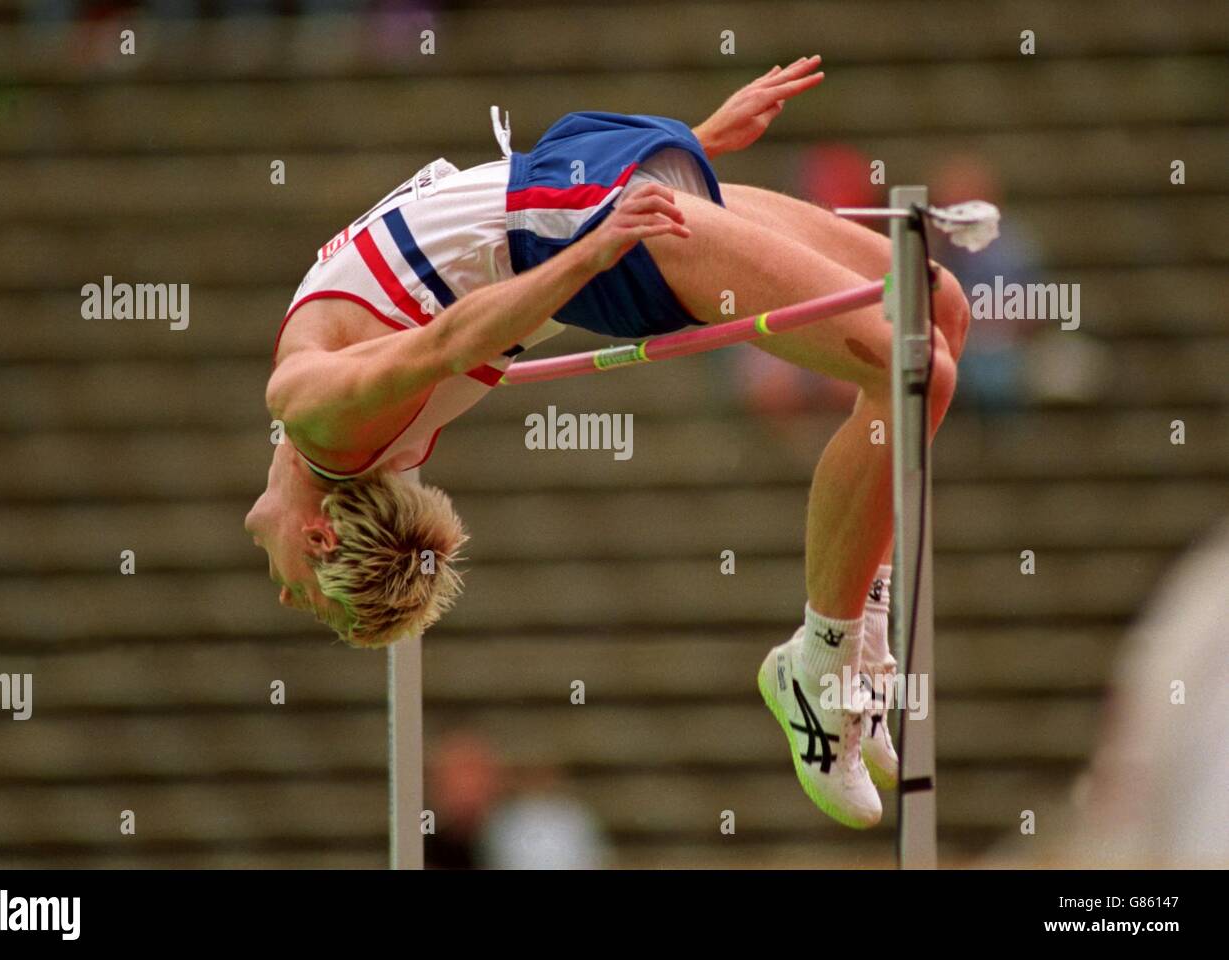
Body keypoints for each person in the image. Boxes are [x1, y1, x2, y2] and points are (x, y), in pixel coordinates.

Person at [244, 56, 972, 828]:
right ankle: (826, 658)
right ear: (323, 534)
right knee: (911, 367)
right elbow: (450, 338)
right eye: (308, 600)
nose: (287, 594)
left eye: (302, 599)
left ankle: (850, 636)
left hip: (584, 180)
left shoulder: (325, 416)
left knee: (939, 305)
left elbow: (454, 254)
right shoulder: (331, 425)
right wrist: (588, 251)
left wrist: (686, 144)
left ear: (319, 533)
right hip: (584, 233)